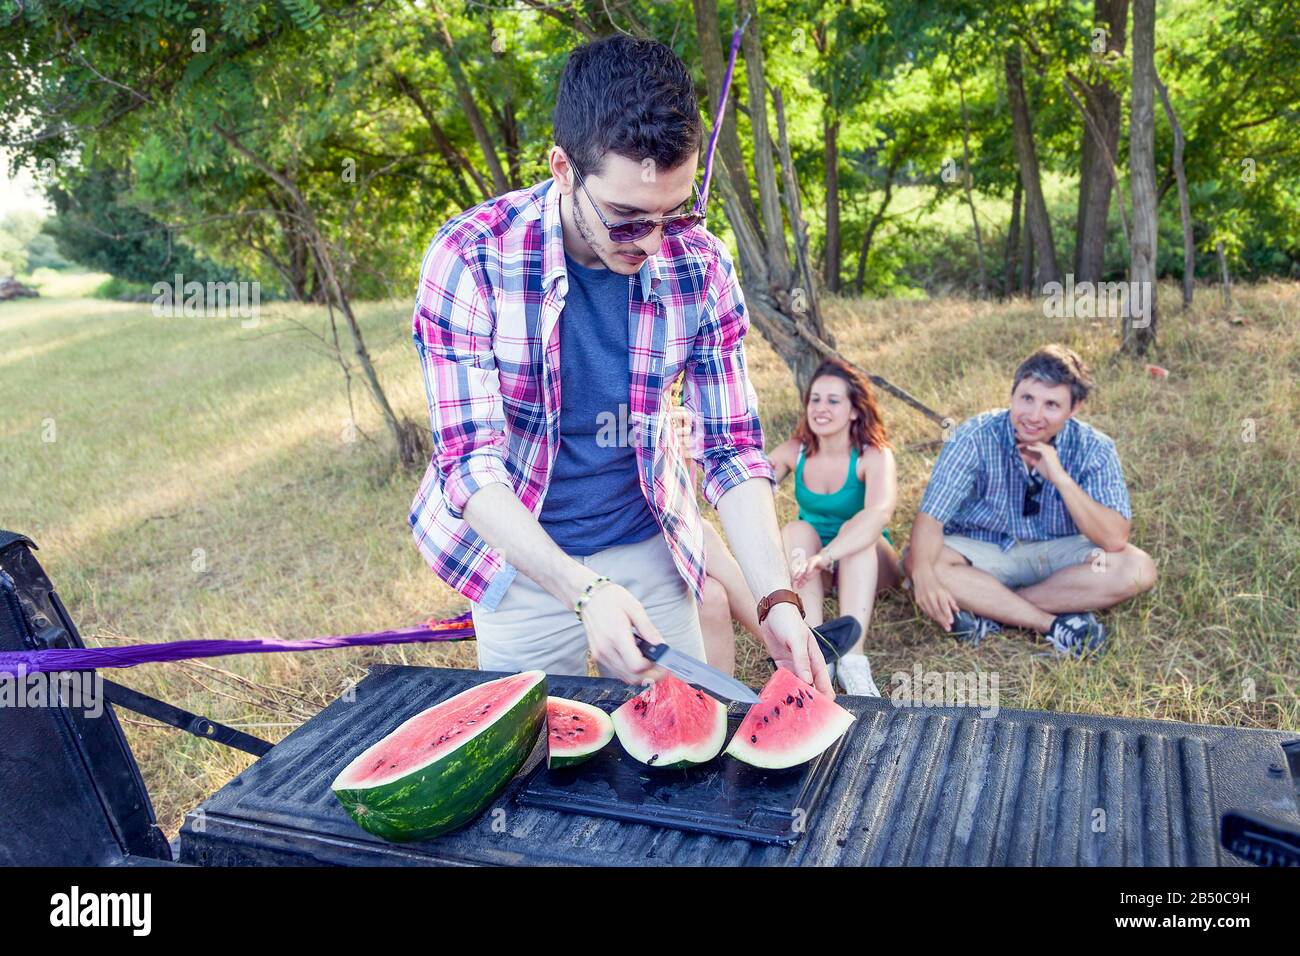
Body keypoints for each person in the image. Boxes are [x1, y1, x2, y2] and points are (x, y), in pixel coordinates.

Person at [409, 35, 832, 694]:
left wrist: (776, 597)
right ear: (562, 170)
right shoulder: (470, 260)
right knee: (531, 765)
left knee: (676, 747)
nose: (655, 242)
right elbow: (471, 468)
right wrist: (581, 590)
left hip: (649, 538)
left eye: (676, 212)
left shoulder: (700, 262)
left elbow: (731, 450)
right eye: (628, 218)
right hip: (520, 557)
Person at [904, 345, 1157, 656]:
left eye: (1051, 404)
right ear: (1012, 395)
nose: (1034, 416)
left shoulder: (1095, 447)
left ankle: (991, 607)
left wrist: (1061, 479)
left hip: (1058, 555)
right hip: (984, 550)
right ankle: (1051, 624)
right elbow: (931, 518)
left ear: (1074, 408)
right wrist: (923, 577)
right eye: (1027, 399)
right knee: (922, 561)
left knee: (1135, 568)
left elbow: (1114, 537)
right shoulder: (974, 436)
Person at [762, 358, 902, 696]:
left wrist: (828, 554)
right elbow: (756, 480)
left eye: (833, 401)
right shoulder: (797, 451)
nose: (821, 408)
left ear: (855, 410)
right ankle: (814, 649)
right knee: (796, 530)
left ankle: (853, 660)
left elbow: (879, 514)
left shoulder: (873, 455)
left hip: (868, 563)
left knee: (858, 536)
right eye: (815, 399)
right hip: (815, 568)